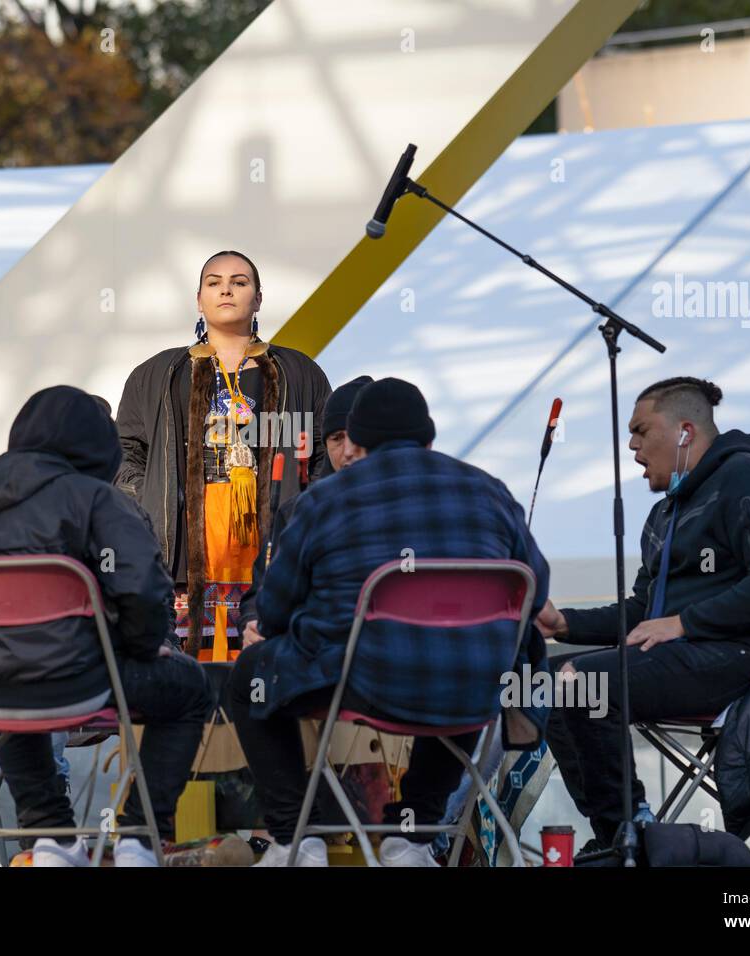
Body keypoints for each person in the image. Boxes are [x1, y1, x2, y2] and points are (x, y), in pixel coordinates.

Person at [227, 378, 551, 866]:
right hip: (482, 689)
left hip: (367, 681)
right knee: (462, 659)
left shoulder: (322, 502)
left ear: (355, 440)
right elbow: (536, 590)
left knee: (249, 674)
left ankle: (298, 838)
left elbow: (273, 612)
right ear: (429, 437)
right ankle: (414, 837)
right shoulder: (490, 492)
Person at [0, 386, 213, 867]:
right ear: (96, 446)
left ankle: (51, 838)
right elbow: (144, 590)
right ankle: (138, 838)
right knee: (190, 687)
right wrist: (143, 647)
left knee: (15, 681)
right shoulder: (94, 498)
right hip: (78, 679)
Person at [537, 377, 750, 853]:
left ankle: (630, 833)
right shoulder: (665, 513)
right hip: (680, 657)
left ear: (685, 431)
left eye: (641, 430)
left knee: (580, 683)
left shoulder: (749, 478)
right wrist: (565, 623)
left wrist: (684, 624)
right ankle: (616, 834)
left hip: (743, 659)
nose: (631, 445)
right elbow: (645, 613)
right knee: (542, 680)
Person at [116, 251, 332, 660]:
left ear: (259, 298)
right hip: (187, 532)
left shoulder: (299, 372)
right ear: (199, 299)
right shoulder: (158, 374)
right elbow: (126, 452)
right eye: (214, 283)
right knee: (188, 660)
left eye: (239, 281)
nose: (226, 289)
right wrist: (151, 501)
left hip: (271, 525)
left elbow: (324, 451)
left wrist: (305, 509)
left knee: (263, 648)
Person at [238, 374, 372, 644]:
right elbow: (260, 593)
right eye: (336, 438)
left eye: (358, 437)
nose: (347, 451)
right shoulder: (296, 512)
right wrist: (252, 624)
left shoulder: (409, 507)